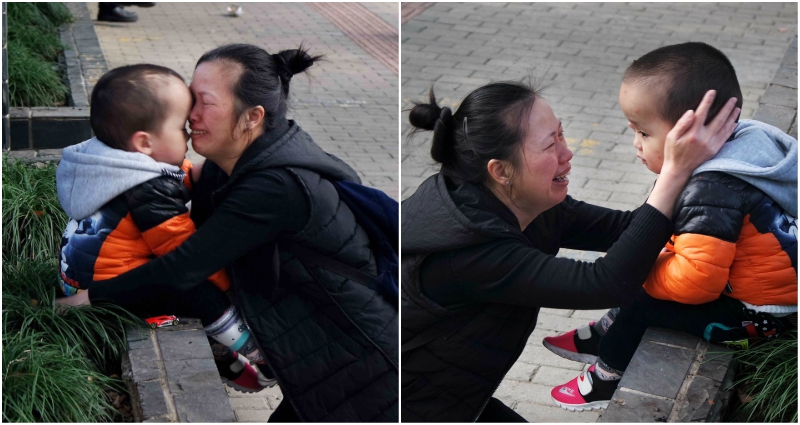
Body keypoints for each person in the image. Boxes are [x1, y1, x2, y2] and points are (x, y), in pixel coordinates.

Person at [57, 44, 398, 422]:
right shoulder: (232, 164)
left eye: (203, 102)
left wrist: (90, 298)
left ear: (252, 116)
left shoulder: (275, 186)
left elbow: (183, 268)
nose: (190, 115)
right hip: (323, 354)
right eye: (189, 99)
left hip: (364, 359)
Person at [401, 80, 741, 422]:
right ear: (501, 171)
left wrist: (700, 182)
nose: (567, 153)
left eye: (561, 134)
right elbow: (607, 282)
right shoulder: (470, 250)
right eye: (551, 145)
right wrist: (674, 172)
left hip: (449, 395)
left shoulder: (525, 202)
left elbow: (629, 229)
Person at [545, 42, 798, 412]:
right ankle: (602, 335)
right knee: (646, 267)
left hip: (763, 316)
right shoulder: (744, 144)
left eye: (644, 133)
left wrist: (640, 270)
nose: (635, 144)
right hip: (760, 289)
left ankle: (606, 375)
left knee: (641, 299)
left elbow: (694, 283)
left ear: (690, 131)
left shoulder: (713, 189)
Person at [55, 63, 274, 393]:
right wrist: (229, 288)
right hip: (112, 290)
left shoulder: (113, 162)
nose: (188, 133)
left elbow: (178, 174)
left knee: (187, 295)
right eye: (180, 127)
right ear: (144, 142)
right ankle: (259, 353)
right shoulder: (146, 188)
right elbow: (183, 252)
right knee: (195, 291)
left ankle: (226, 362)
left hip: (75, 280)